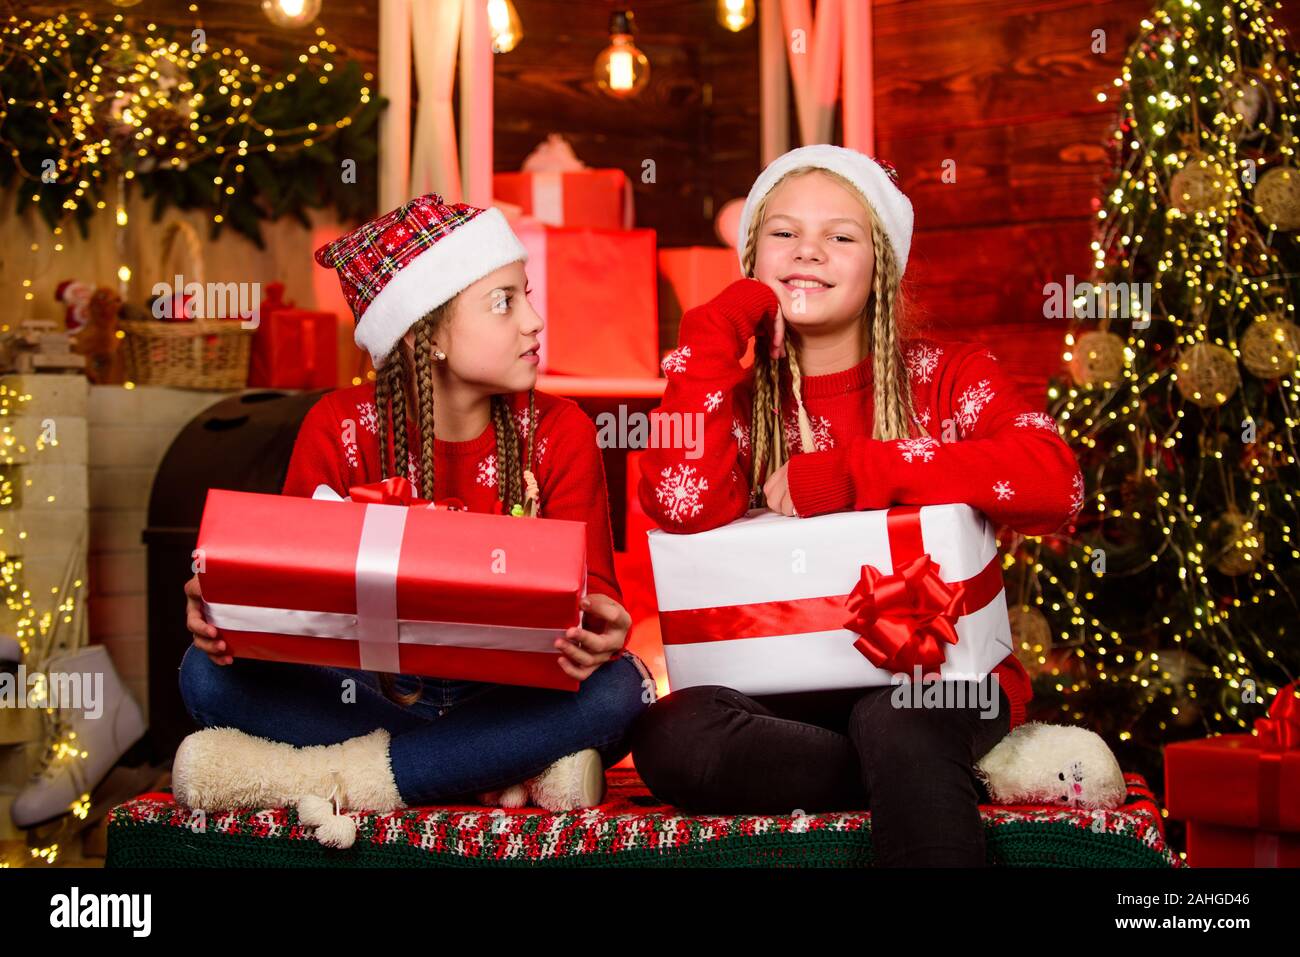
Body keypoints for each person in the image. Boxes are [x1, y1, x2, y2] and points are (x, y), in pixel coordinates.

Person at [629, 145, 1084, 865]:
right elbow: (680, 501)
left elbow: (1055, 480)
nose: (808, 250)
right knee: (669, 730)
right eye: (782, 233)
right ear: (752, 256)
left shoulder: (946, 376)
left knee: (899, 719)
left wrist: (854, 472)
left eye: (841, 236)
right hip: (784, 699)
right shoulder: (739, 408)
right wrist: (714, 333)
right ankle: (901, 780)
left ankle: (907, 765)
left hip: (940, 683)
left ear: (882, 267)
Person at [175, 195, 653, 816]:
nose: (534, 321)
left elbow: (595, 601)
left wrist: (602, 627)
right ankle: (495, 769)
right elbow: (286, 603)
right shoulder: (337, 425)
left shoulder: (561, 430)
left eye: (526, 295)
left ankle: (336, 777)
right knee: (204, 674)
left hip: (510, 699)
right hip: (368, 697)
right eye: (505, 302)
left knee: (624, 688)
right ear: (427, 336)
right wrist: (228, 608)